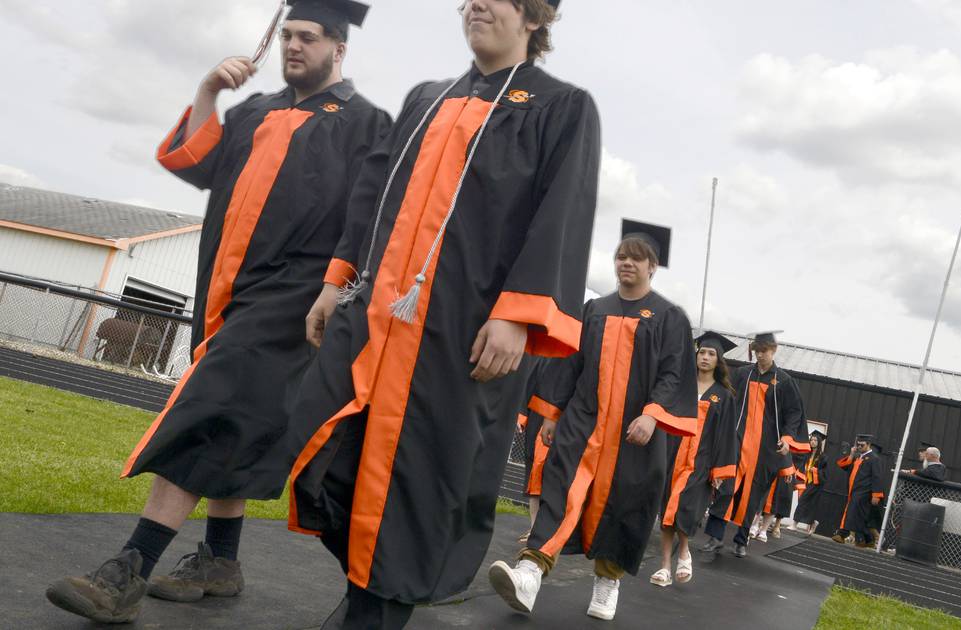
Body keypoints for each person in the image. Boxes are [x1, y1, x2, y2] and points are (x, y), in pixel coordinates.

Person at [45, 2, 391, 624]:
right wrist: (208, 89)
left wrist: (336, 289)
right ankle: (219, 561)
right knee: (237, 419)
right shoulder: (254, 111)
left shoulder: (367, 123)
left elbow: (371, 218)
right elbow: (194, 161)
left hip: (298, 293)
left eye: (307, 38)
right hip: (230, 290)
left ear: (339, 48)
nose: (292, 46)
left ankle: (131, 567)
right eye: (286, 35)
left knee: (208, 404)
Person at [284, 0, 600, 626]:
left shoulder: (561, 107)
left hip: (462, 329)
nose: (476, 3)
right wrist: (336, 279)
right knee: (325, 451)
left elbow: (562, 212)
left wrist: (519, 314)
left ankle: (370, 615)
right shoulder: (427, 97)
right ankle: (364, 595)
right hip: (376, 316)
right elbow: (372, 192)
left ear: (535, 17)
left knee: (420, 482)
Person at [488, 220, 698, 622]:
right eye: (621, 256)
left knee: (624, 502)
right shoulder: (595, 309)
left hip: (635, 431)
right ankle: (530, 572)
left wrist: (653, 415)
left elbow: (674, 373)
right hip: (584, 422)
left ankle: (608, 580)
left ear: (653, 266)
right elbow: (572, 363)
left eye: (637, 258)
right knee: (559, 486)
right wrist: (552, 412)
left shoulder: (670, 317)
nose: (627, 264)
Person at [699, 331, 808, 558]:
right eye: (757, 351)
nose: (760, 355)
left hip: (765, 449)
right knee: (725, 490)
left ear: (774, 350)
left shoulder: (785, 382)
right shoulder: (742, 374)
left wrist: (787, 439)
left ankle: (741, 540)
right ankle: (715, 537)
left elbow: (794, 413)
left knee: (753, 496)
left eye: (764, 351)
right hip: (736, 442)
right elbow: (727, 400)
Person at [651, 331, 739, 587]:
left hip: (701, 462)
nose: (705, 357)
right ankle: (665, 567)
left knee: (686, 509)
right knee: (667, 511)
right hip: (672, 456)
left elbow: (726, 436)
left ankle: (684, 551)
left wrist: (720, 471)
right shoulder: (682, 387)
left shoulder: (724, 396)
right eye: (702, 352)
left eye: (712, 354)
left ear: (718, 361)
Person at [515, 357, 553, 543]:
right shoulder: (545, 359)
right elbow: (529, 386)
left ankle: (550, 533)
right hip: (538, 420)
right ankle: (534, 529)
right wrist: (522, 415)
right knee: (533, 478)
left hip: (565, 425)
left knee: (557, 480)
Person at [831, 434, 886, 548]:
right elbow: (844, 465)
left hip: (864, 492)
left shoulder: (874, 459)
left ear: (868, 445)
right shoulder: (858, 457)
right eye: (858, 445)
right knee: (860, 516)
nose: (859, 447)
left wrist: (876, 495)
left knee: (852, 512)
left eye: (862, 445)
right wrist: (851, 454)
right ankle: (867, 539)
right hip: (854, 490)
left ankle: (842, 534)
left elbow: (877, 477)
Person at [791, 429, 828, 535]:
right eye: (811, 440)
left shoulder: (823, 457)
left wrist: (816, 471)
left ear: (819, 442)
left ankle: (794, 524)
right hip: (805, 481)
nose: (812, 442)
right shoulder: (807, 454)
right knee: (809, 505)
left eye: (815, 440)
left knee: (802, 501)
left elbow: (825, 473)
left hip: (815, 483)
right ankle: (813, 522)